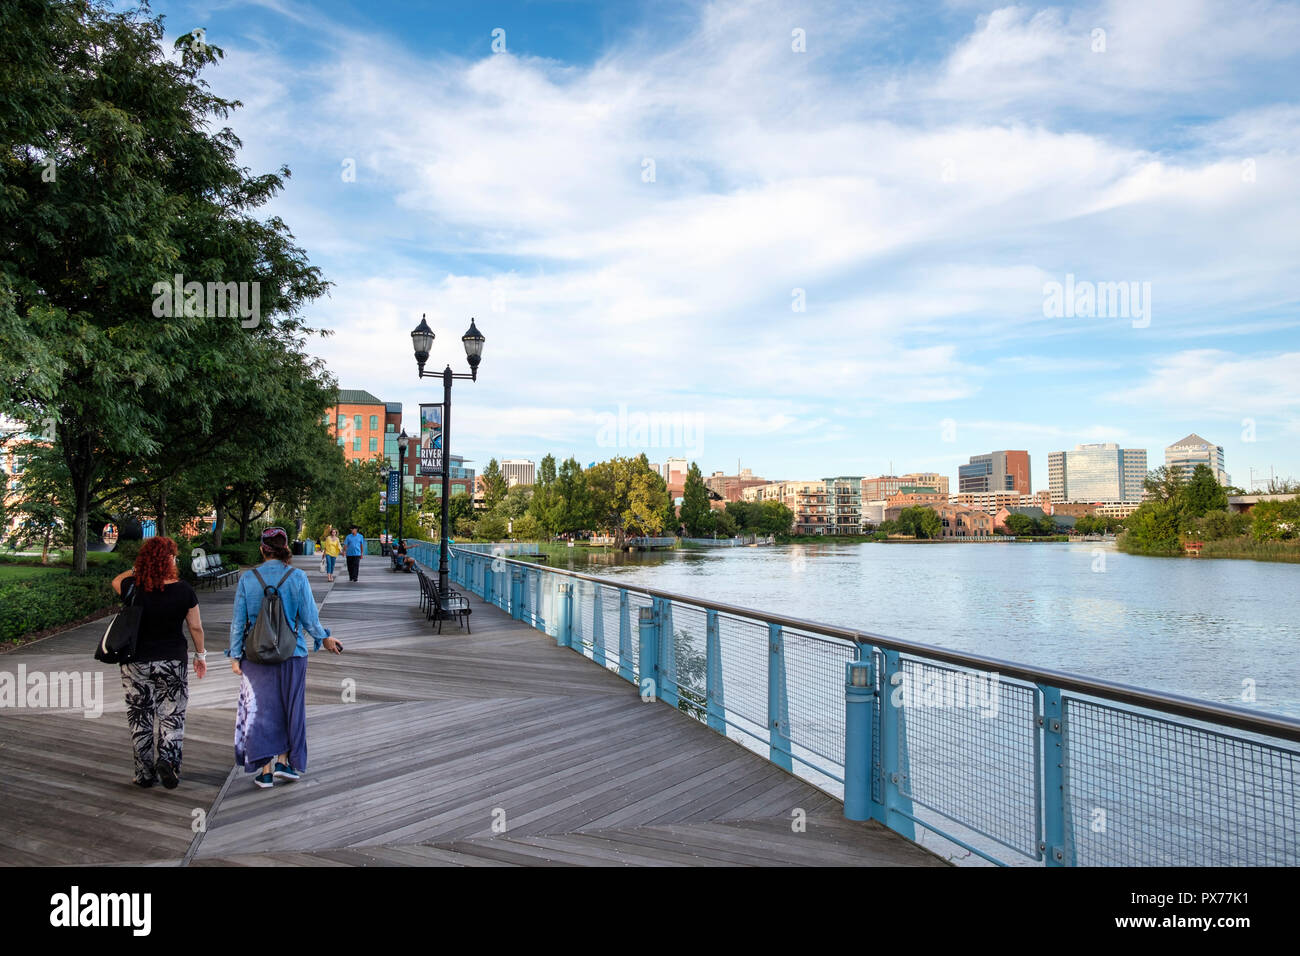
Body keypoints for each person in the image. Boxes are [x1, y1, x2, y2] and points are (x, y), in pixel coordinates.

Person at [228, 528, 343, 788]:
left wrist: (235, 655)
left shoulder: (248, 579)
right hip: (293, 653)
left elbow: (238, 622)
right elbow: (309, 619)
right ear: (285, 549)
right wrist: (325, 638)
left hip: (256, 655)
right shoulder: (297, 577)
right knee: (291, 707)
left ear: (262, 549)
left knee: (260, 710)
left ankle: (265, 770)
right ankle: (285, 762)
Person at [110, 536, 206, 789]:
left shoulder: (133, 587)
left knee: (139, 718)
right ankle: (168, 762)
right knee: (172, 715)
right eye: (173, 556)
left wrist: (136, 569)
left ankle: (143, 774)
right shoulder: (184, 589)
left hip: (135, 661)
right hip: (172, 661)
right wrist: (201, 655)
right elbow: (195, 627)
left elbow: (116, 581)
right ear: (170, 560)